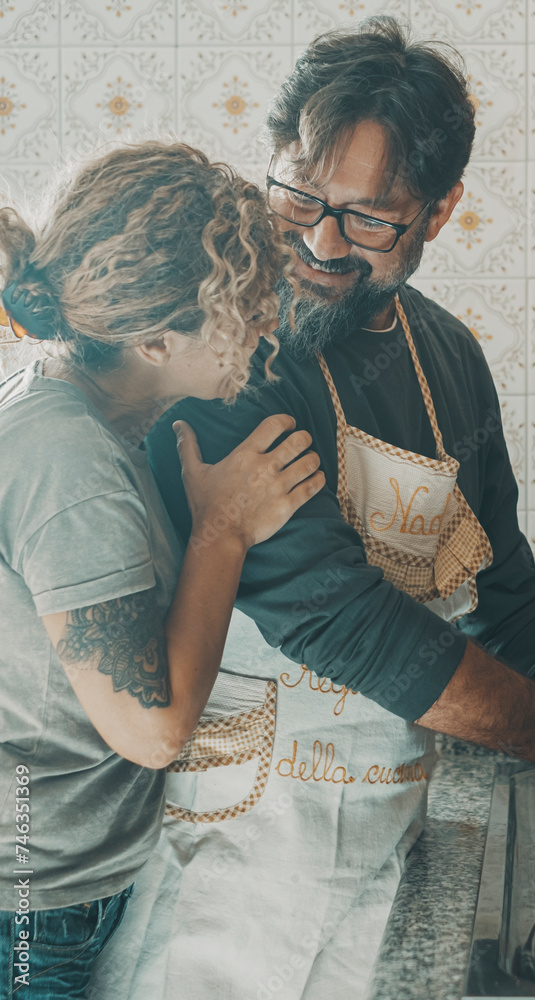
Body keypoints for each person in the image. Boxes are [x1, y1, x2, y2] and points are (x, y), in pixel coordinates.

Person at [93, 18, 535, 1000]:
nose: (320, 242)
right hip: (234, 863)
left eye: (367, 218)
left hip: (390, 834)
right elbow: (348, 622)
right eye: (300, 197)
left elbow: (508, 599)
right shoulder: (217, 354)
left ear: (437, 213)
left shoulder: (447, 353)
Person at [0, 140, 325, 998]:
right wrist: (225, 526)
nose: (267, 324)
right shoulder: (69, 463)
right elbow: (150, 731)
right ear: (152, 340)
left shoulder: (71, 412)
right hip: (32, 905)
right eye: (242, 307)